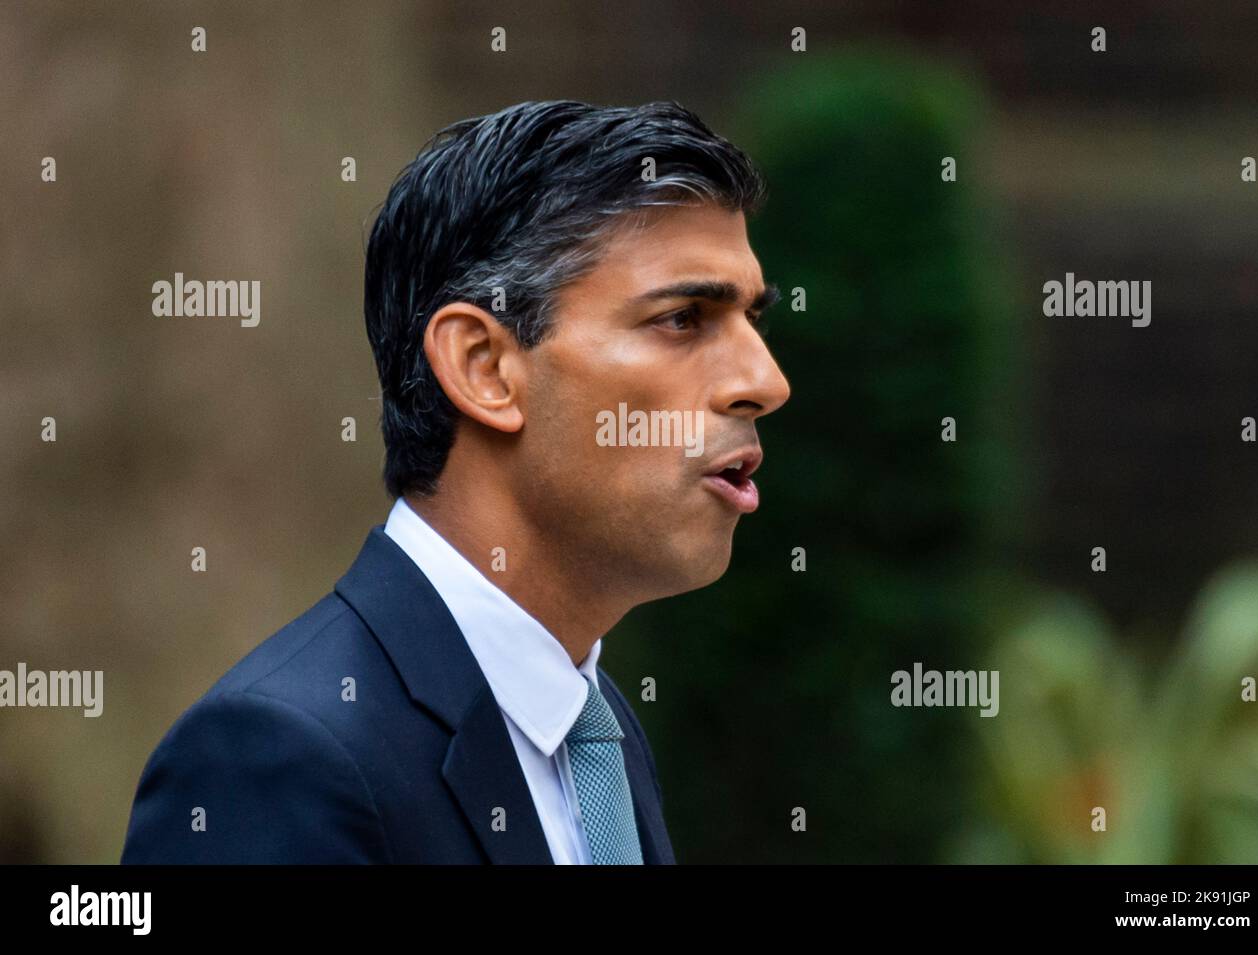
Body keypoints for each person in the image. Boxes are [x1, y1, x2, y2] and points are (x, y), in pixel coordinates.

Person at [120, 100, 791, 864]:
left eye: (753, 321)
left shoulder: (597, 731)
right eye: (683, 318)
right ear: (485, 368)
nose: (765, 381)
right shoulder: (275, 757)